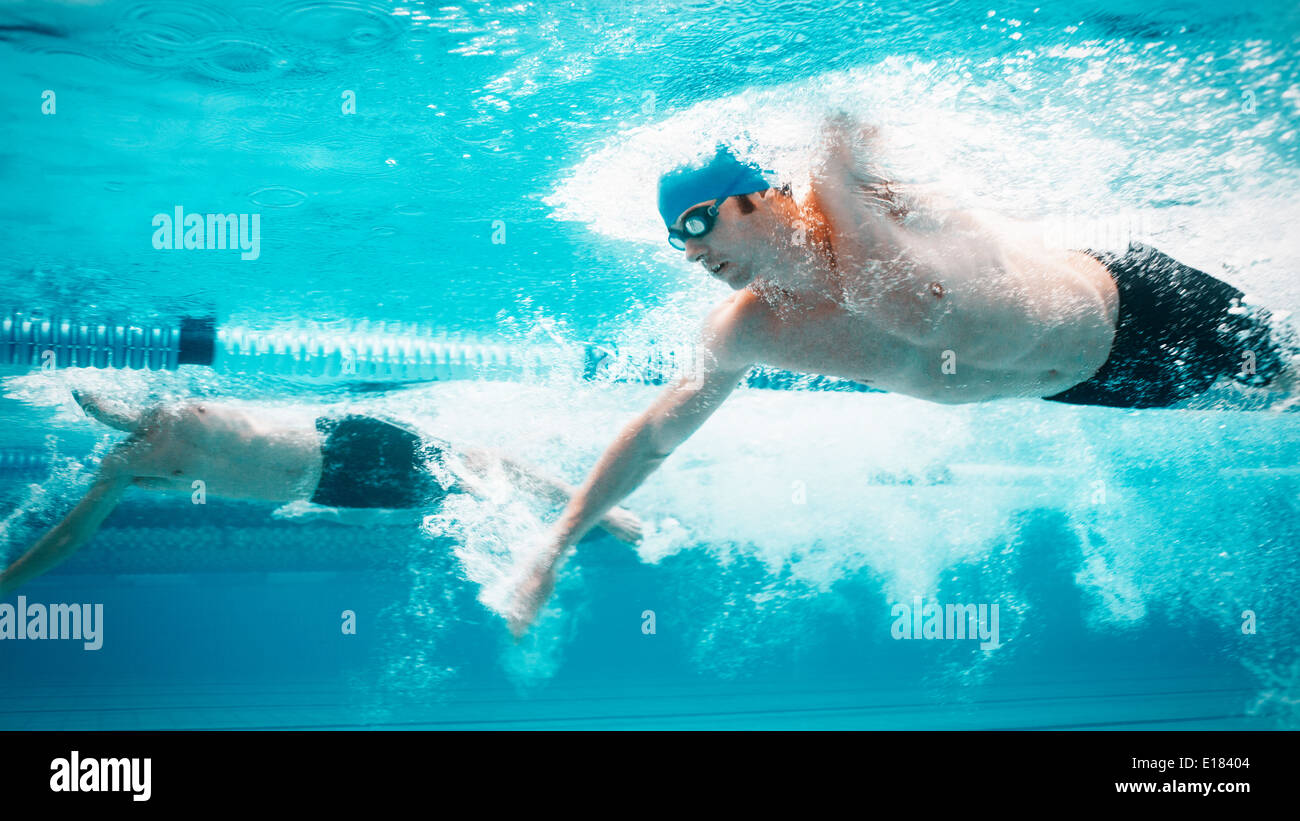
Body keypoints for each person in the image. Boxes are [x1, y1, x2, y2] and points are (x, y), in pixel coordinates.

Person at [503, 113, 1299, 635]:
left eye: (699, 219)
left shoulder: (863, 203)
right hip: (1100, 382)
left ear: (760, 195)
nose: (692, 249)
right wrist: (555, 544)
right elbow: (653, 433)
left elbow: (854, 129)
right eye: (675, 239)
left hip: (1143, 305)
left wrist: (837, 149)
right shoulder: (754, 329)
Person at [0, 390, 643, 596]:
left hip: (339, 448)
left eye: (100, 404)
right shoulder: (124, 463)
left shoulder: (160, 421)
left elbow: (71, 534)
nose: (97, 411)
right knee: (467, 484)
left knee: (473, 473)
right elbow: (70, 535)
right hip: (331, 479)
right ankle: (588, 515)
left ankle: (598, 511)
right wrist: (10, 580)